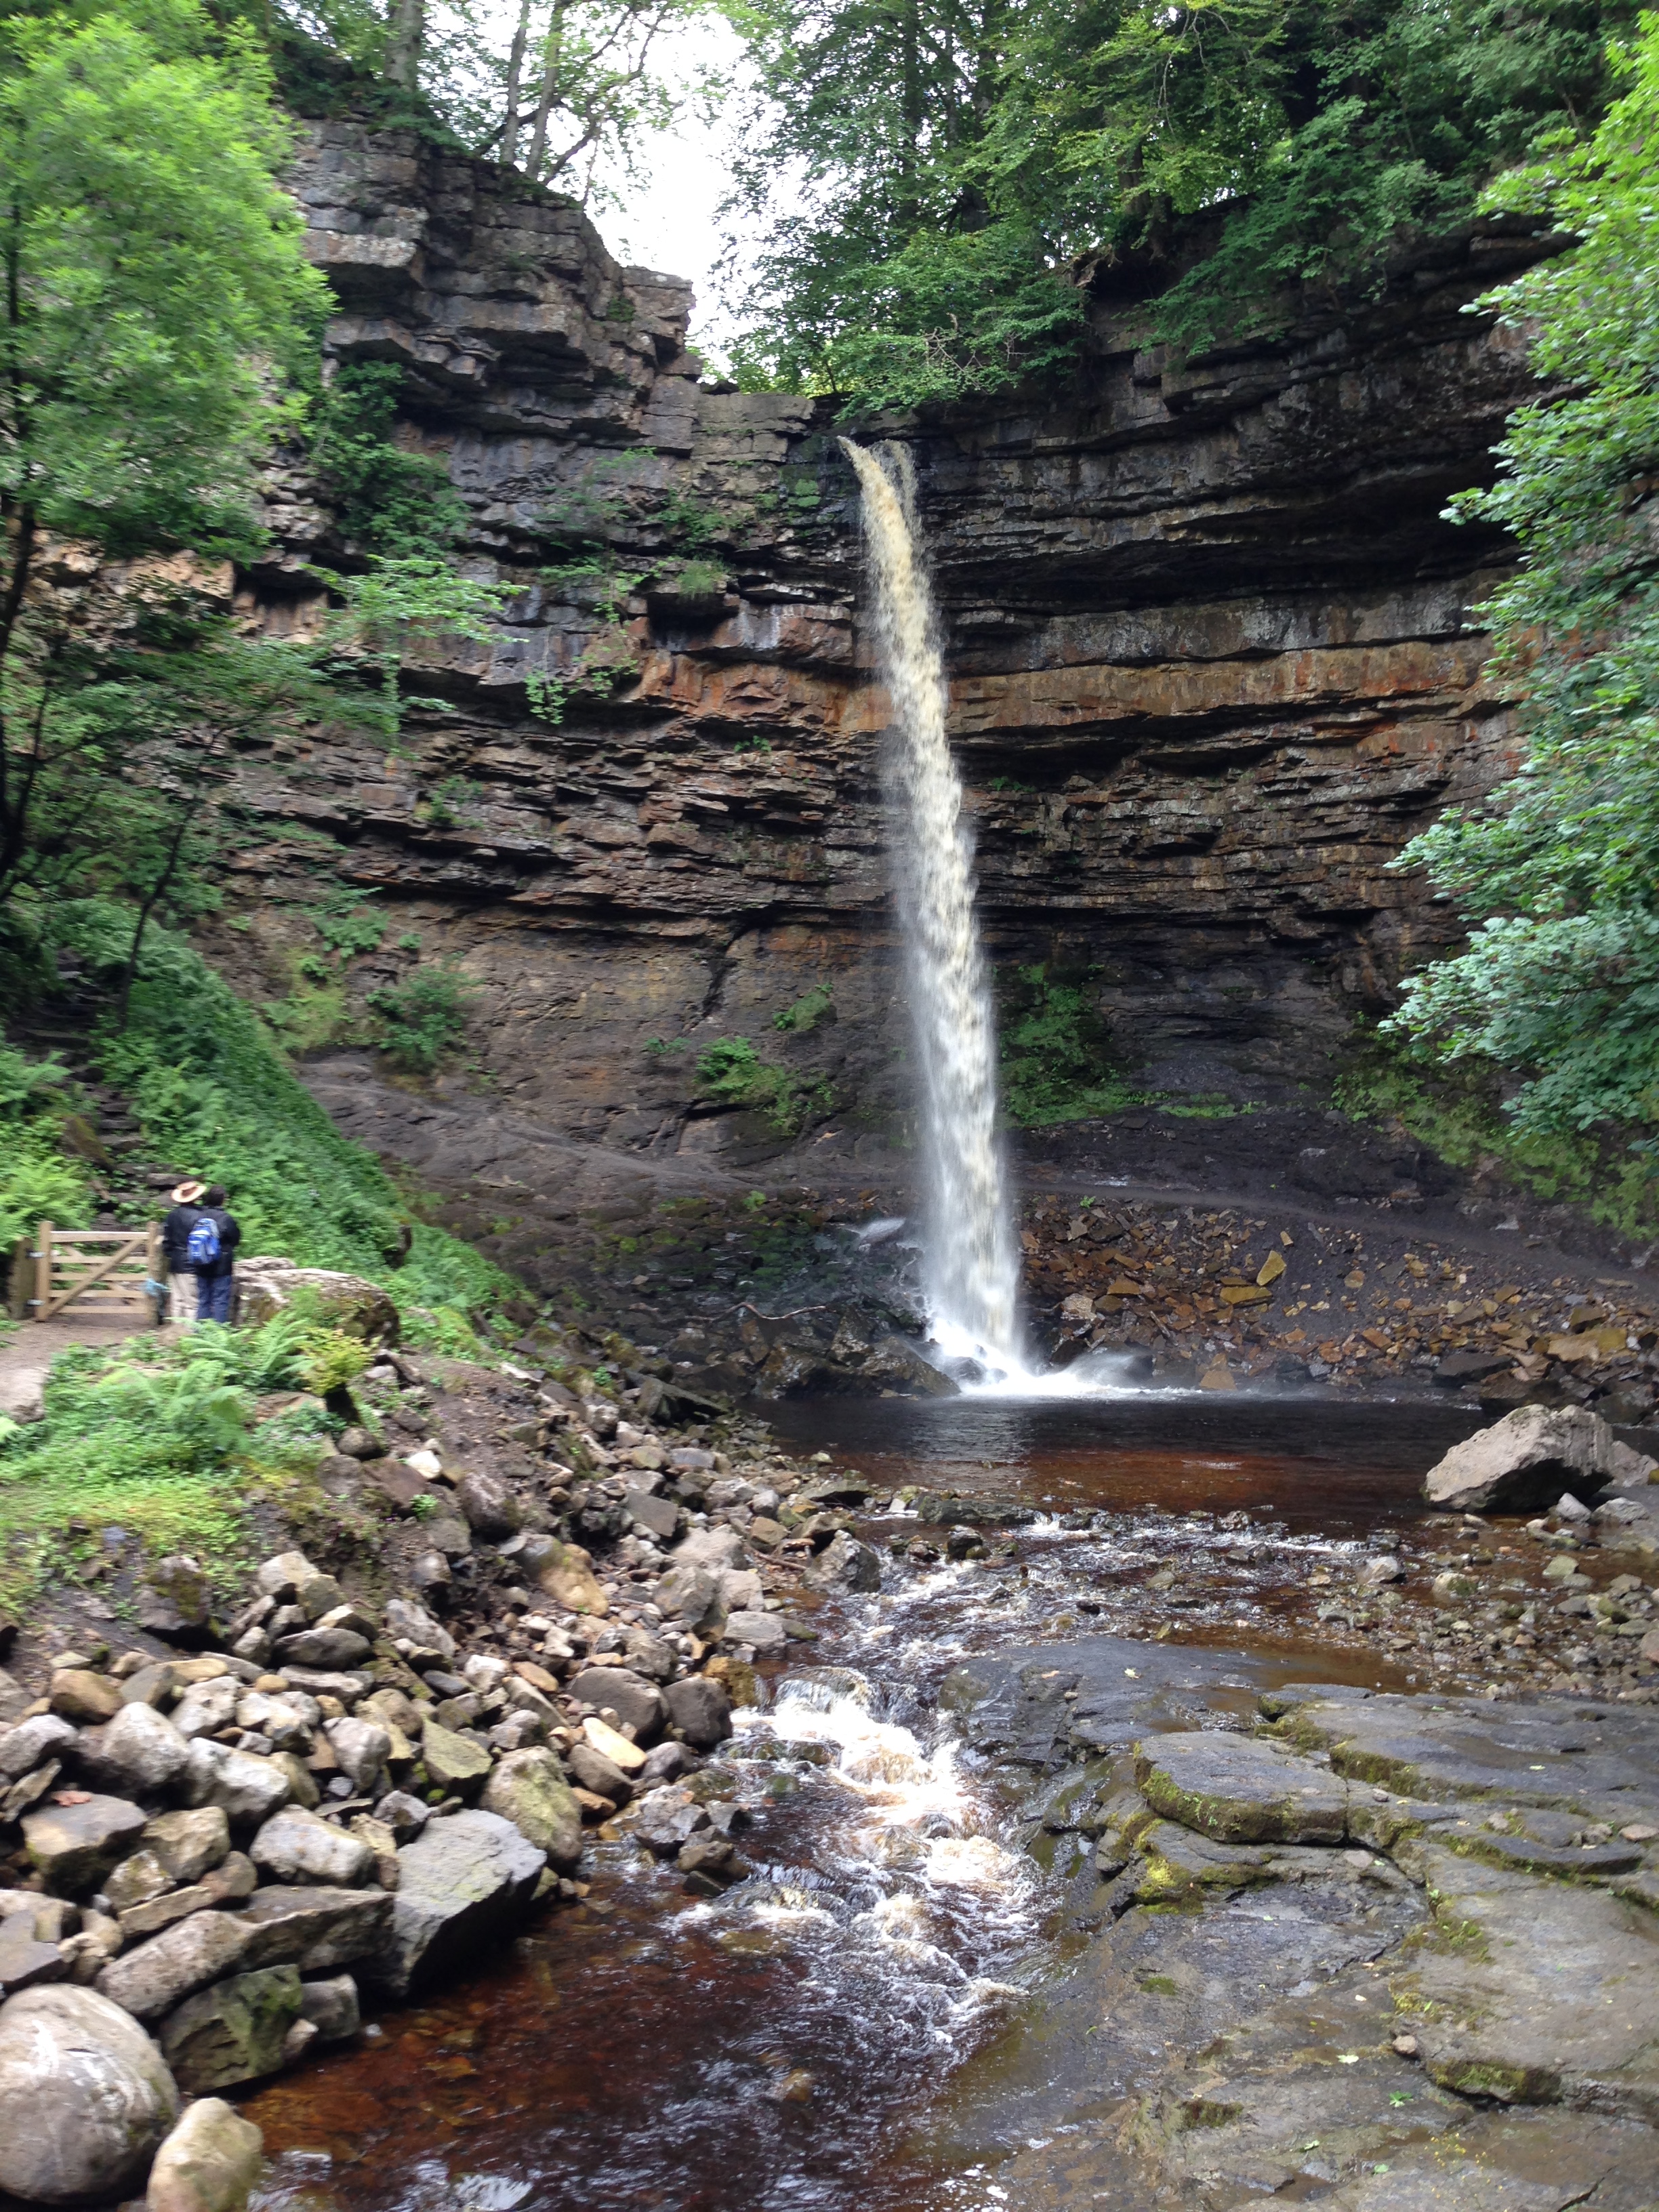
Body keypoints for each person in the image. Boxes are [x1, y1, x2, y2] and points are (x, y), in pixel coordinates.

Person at [184, 1183, 241, 1326]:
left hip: (201, 1265)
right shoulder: (226, 1218)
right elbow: (236, 1239)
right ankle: (219, 1338)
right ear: (223, 1200)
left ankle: (201, 1336)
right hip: (221, 1268)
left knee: (203, 1301)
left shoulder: (198, 1216)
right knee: (220, 1301)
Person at [159, 1180, 206, 1323]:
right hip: (192, 1263)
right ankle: (191, 1335)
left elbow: (166, 1241)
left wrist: (171, 1254)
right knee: (192, 1302)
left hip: (175, 1262)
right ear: (197, 1197)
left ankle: (176, 1332)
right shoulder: (201, 1216)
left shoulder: (172, 1216)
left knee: (177, 1299)